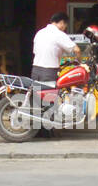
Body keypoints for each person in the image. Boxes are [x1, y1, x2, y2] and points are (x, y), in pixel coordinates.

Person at [31, 10, 75, 138]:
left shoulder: (39, 33)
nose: (65, 28)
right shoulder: (58, 34)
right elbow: (76, 49)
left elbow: (36, 51)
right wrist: (79, 60)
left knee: (37, 101)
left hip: (36, 69)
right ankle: (46, 132)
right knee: (48, 101)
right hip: (48, 71)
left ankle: (37, 131)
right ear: (61, 23)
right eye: (65, 25)